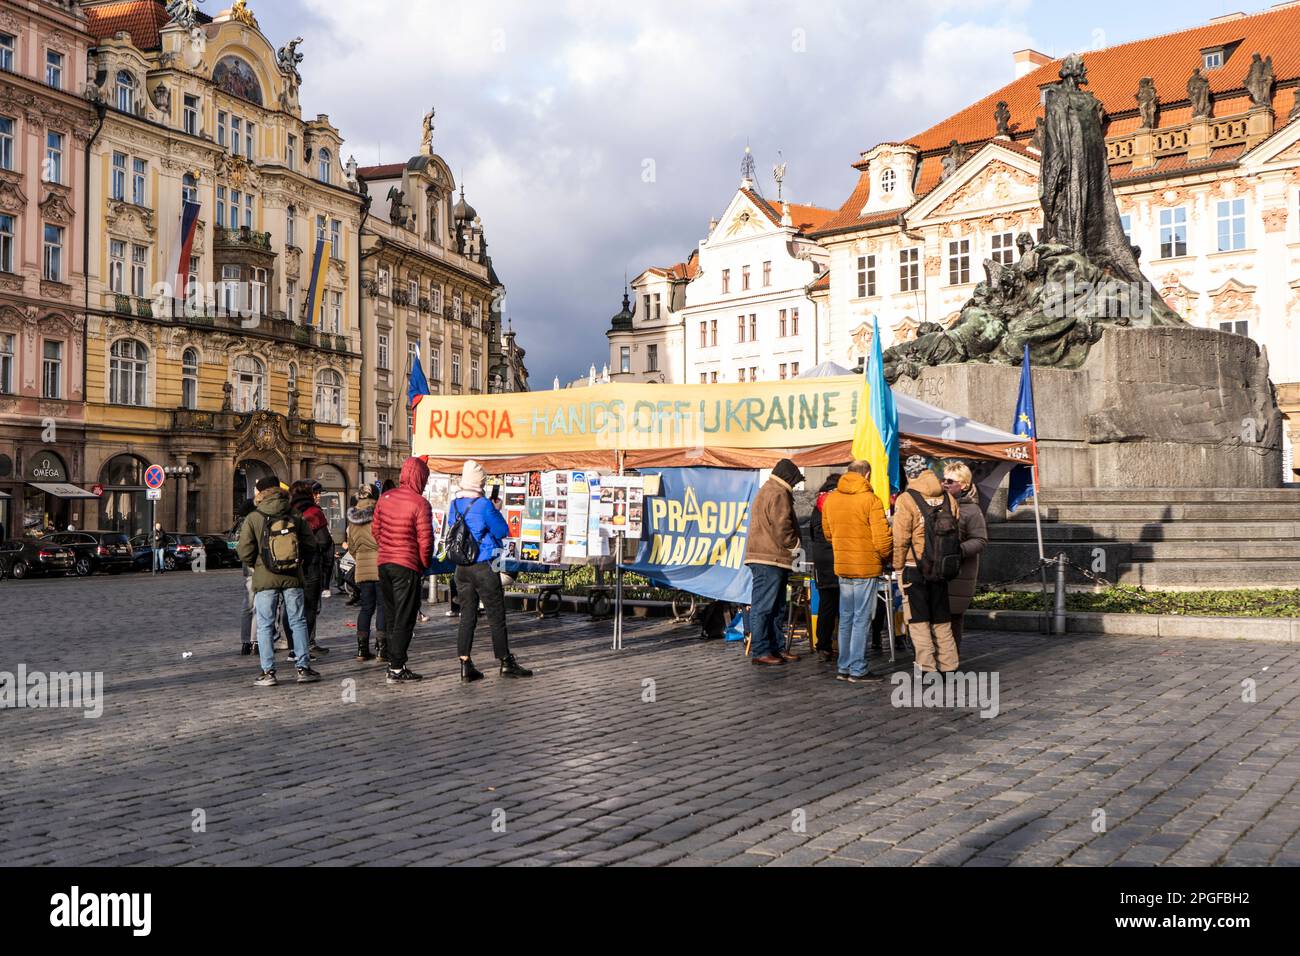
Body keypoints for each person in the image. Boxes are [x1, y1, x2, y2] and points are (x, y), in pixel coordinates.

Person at [448, 460, 532, 683]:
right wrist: (495, 509)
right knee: (496, 615)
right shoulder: (484, 505)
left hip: (461, 569)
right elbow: (502, 530)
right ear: (480, 482)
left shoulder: (454, 504)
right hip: (483, 566)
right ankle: (505, 661)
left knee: (467, 615)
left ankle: (465, 664)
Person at [236, 475, 321, 687]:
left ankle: (268, 672)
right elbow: (311, 545)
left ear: (261, 493)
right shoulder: (295, 514)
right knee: (298, 621)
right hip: (293, 576)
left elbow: (244, 550)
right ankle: (303, 667)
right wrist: (299, 562)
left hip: (265, 577)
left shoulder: (254, 517)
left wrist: (258, 564)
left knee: (265, 624)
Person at [821, 461, 894, 683]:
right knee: (861, 618)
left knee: (846, 617)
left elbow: (828, 534)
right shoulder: (870, 500)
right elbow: (882, 540)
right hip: (866, 565)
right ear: (867, 474)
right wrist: (886, 555)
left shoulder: (832, 499)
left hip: (843, 564)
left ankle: (844, 666)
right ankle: (858, 668)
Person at [373, 457, 434, 684]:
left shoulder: (385, 498)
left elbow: (376, 530)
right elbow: (426, 541)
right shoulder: (420, 503)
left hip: (384, 563)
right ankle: (397, 668)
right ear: (420, 477)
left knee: (391, 614)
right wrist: (422, 563)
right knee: (405, 616)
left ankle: (393, 660)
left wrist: (387, 548)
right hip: (406, 565)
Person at [893, 468, 960, 674]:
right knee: (942, 619)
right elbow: (957, 532)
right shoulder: (948, 498)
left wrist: (897, 567)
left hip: (915, 567)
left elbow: (901, 538)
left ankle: (926, 669)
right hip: (942, 567)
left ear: (912, 477)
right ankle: (949, 666)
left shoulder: (907, 499)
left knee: (918, 621)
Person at [744, 458, 805, 666]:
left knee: (776, 606)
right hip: (770, 558)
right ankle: (762, 650)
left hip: (768, 557)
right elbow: (783, 527)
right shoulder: (778, 492)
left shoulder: (768, 489)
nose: (796, 486)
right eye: (795, 482)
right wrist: (795, 545)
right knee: (765, 606)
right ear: (789, 478)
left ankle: (776, 648)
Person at [943, 462, 988, 653]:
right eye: (943, 479)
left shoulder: (972, 510)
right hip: (938, 571)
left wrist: (957, 550)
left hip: (959, 573)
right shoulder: (937, 504)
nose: (944, 483)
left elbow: (980, 540)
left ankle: (950, 661)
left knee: (953, 620)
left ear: (963, 485)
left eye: (950, 481)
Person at [289, 479, 332, 657]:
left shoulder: (288, 510)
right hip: (311, 566)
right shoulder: (314, 513)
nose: (319, 496)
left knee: (292, 607)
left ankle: (293, 647)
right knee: (309, 607)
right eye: (315, 493)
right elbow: (324, 541)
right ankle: (305, 646)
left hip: (290, 565)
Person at [346, 486, 385, 662]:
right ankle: (382, 650)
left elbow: (352, 547)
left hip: (362, 567)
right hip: (380, 563)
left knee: (366, 607)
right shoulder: (380, 513)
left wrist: (361, 558)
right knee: (383, 606)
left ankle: (362, 650)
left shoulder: (353, 518)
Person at [806, 474, 842, 664]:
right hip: (840, 557)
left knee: (826, 604)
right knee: (845, 606)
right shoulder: (839, 502)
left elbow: (812, 533)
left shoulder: (818, 505)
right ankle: (842, 646)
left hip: (822, 560)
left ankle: (824, 645)